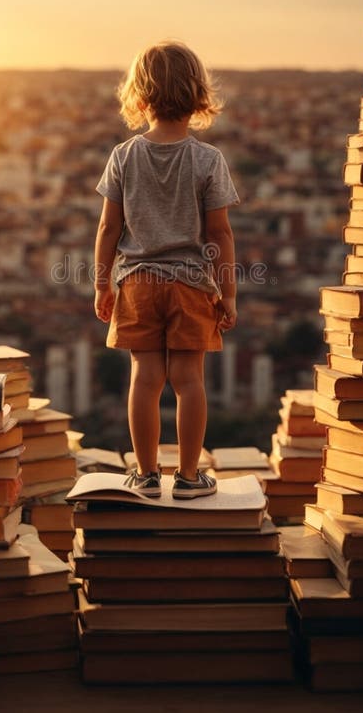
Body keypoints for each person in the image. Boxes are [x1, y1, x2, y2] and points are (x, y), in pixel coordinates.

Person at [93, 41, 239, 499]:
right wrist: (229, 294)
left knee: (145, 379)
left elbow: (107, 227)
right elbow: (220, 235)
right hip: (192, 283)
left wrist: (101, 284)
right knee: (189, 381)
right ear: (198, 95)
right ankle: (191, 477)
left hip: (136, 283)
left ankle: (147, 474)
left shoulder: (123, 155)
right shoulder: (208, 160)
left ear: (139, 95)